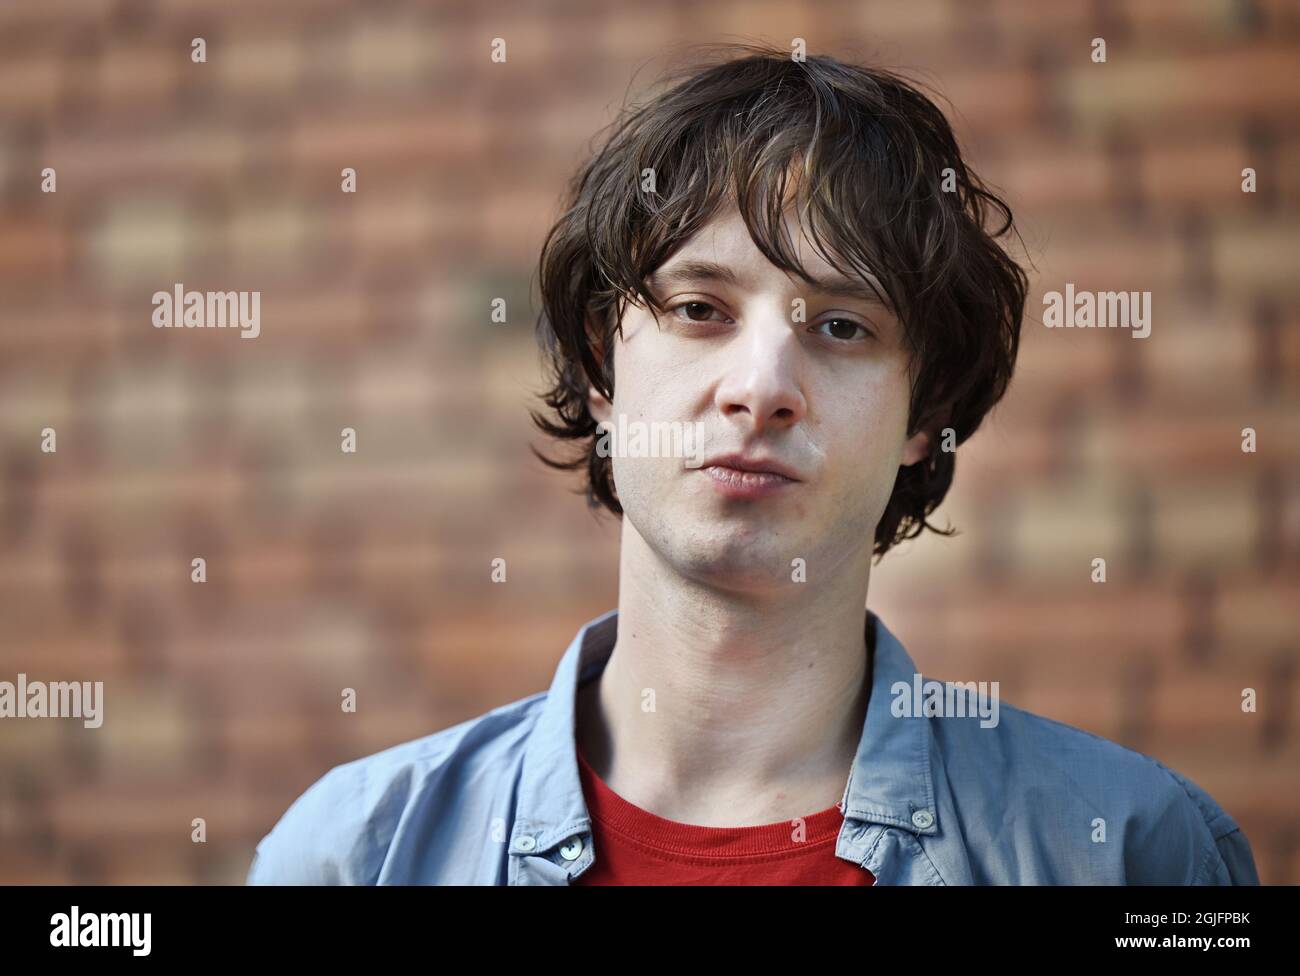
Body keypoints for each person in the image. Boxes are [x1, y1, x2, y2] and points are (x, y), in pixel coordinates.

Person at [247, 45, 1259, 885]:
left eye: (841, 325)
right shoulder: (357, 854)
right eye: (699, 309)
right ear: (603, 365)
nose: (761, 386)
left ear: (924, 413)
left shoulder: (1131, 851)